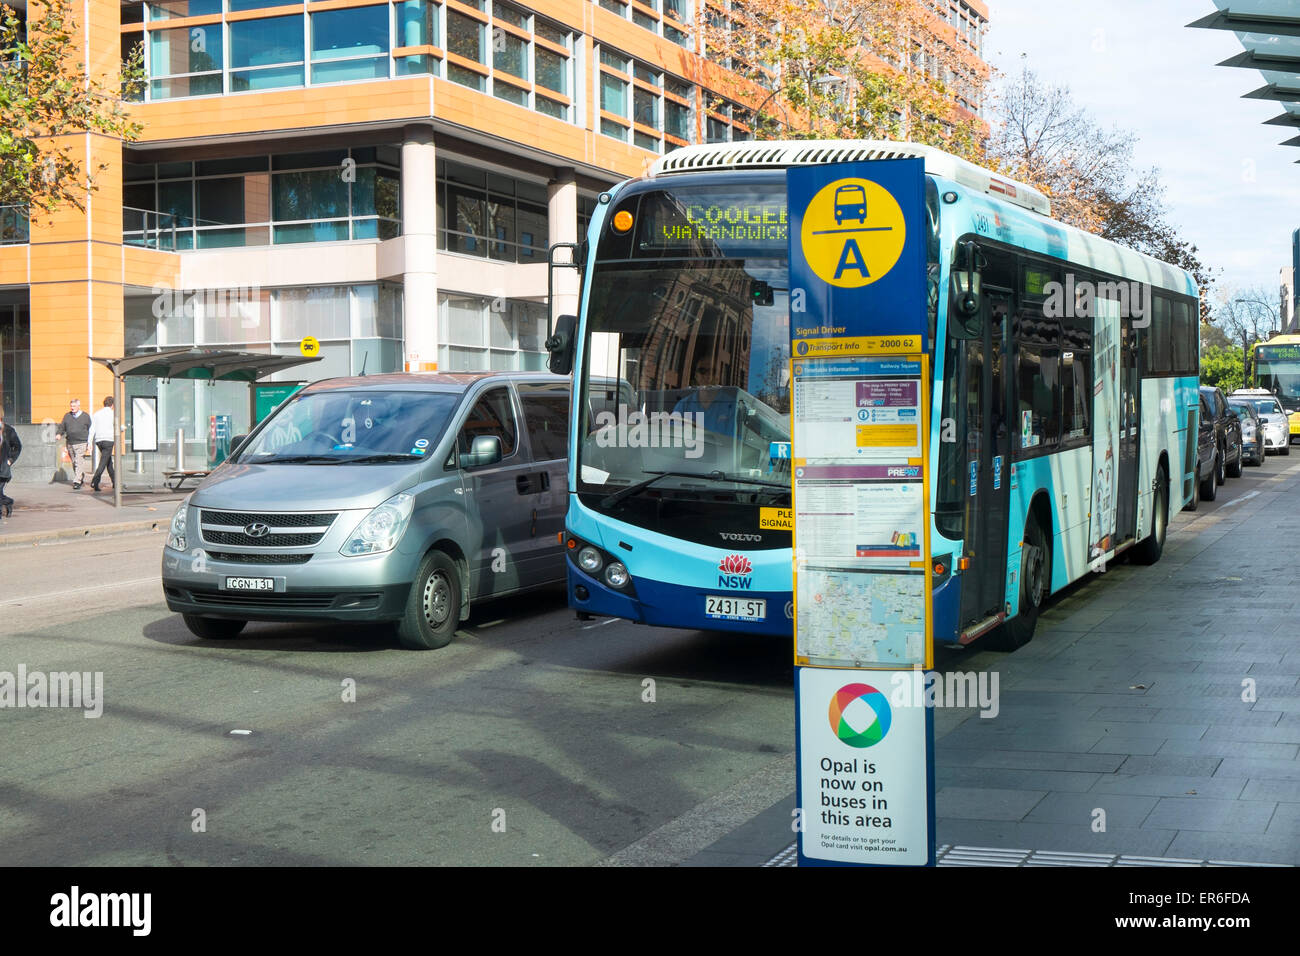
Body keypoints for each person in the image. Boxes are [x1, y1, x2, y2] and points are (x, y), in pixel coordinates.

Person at [57, 397, 92, 489]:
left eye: (74, 406)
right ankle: (80, 476)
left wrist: (89, 443)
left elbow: (90, 429)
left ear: (78, 406)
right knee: (74, 462)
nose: (72, 408)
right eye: (71, 406)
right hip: (70, 443)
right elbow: (62, 426)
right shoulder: (67, 416)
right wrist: (59, 434)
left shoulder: (85, 416)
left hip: (81, 442)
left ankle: (77, 481)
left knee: (79, 461)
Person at [87, 396, 116, 493]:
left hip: (99, 440)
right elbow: (117, 426)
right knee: (103, 462)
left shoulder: (96, 414)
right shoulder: (113, 414)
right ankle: (95, 480)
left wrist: (89, 442)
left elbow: (92, 429)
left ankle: (115, 482)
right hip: (109, 440)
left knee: (108, 462)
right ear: (112, 405)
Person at [0, 404, 21, 518]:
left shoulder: (8, 430)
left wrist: (10, 460)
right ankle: (7, 502)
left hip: (3, 468)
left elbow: (18, 446)